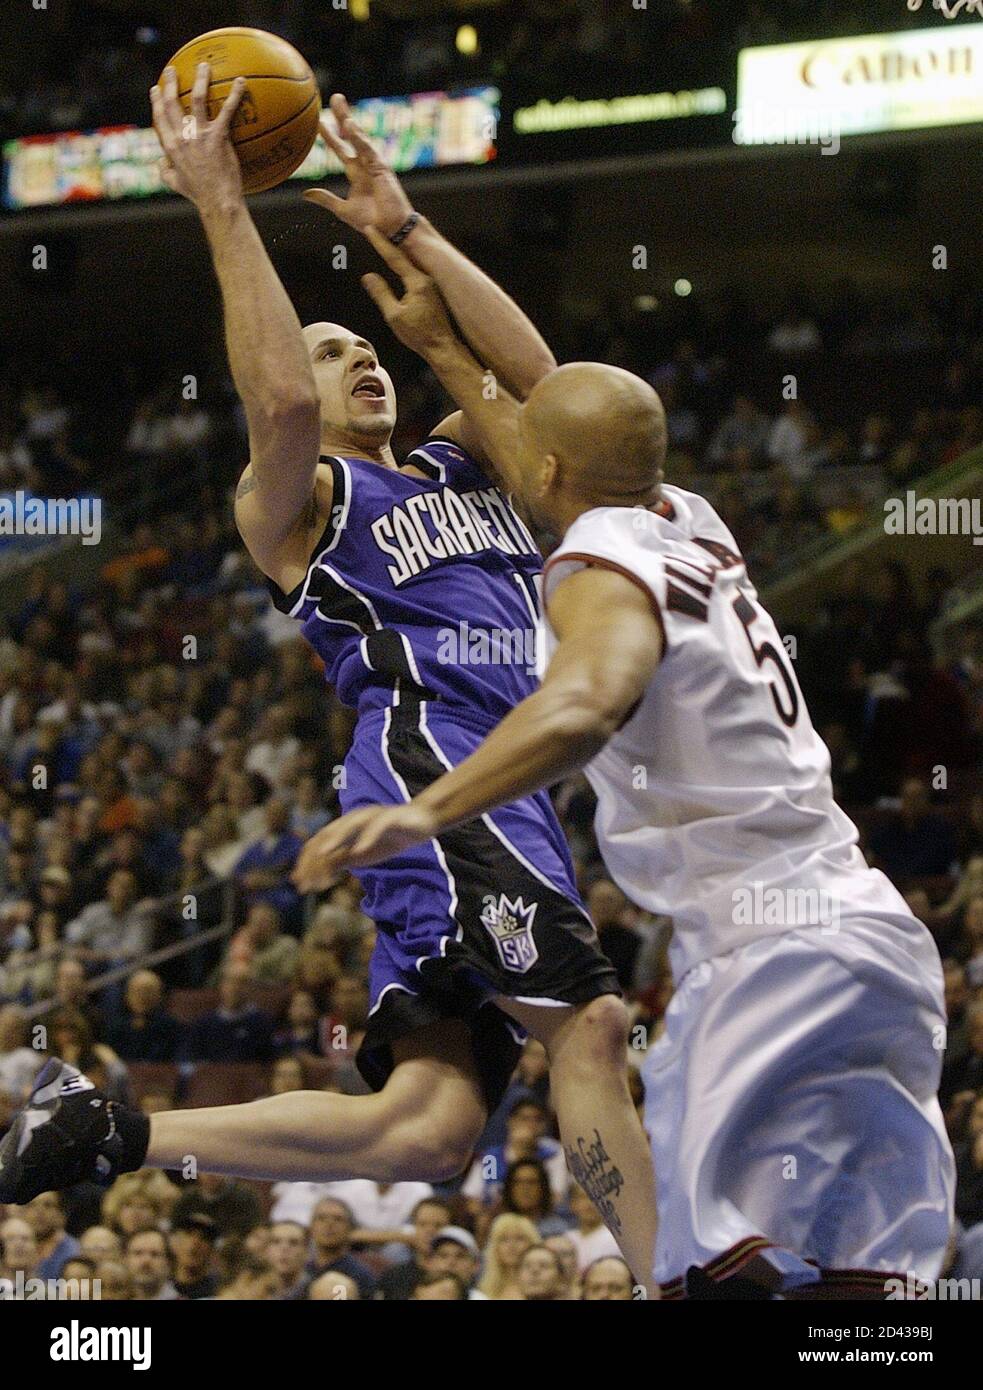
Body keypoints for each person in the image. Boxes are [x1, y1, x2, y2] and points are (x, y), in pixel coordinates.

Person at [0, 78, 656, 1290]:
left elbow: (558, 386)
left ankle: (104, 1125)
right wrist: (219, 204)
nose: (358, 359)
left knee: (434, 1128)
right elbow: (283, 396)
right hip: (436, 772)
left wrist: (408, 250)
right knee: (594, 1022)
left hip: (504, 796)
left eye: (363, 346)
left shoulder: (467, 466)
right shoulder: (298, 503)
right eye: (332, 344)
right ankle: (659, 1280)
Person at [292, 321, 955, 1296]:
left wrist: (425, 811)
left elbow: (580, 705)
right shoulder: (690, 516)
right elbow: (546, 389)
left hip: (763, 958)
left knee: (699, 1271)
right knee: (864, 1291)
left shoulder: (594, 563)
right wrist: (422, 276)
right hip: (876, 939)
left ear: (544, 465)